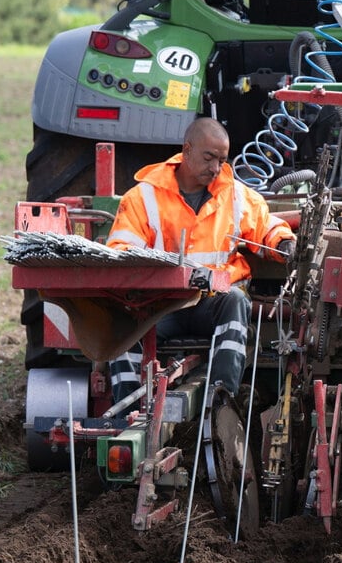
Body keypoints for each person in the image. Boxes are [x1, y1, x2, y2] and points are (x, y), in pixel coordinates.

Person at [107, 117, 296, 401]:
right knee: (121, 324)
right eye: (209, 158)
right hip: (160, 306)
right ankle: (126, 409)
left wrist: (283, 243)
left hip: (211, 304)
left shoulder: (235, 196)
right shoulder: (142, 198)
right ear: (187, 150)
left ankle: (221, 403)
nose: (216, 168)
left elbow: (266, 225)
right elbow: (121, 250)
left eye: (221, 160)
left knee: (235, 300)